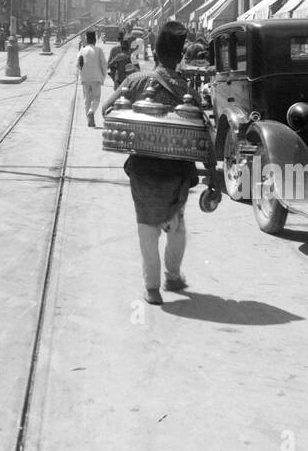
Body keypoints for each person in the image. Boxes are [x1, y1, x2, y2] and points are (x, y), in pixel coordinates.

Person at [103, 19, 215, 306]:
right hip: (177, 173)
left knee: (147, 228)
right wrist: (212, 177)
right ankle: (173, 276)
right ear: (179, 56)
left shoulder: (137, 81)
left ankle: (152, 288)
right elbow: (204, 130)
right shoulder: (184, 88)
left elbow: (106, 110)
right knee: (175, 224)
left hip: (143, 171)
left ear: (154, 49)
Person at [76, 29, 107, 127]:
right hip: (96, 78)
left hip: (85, 79)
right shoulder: (99, 50)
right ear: (94, 40)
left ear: (87, 40)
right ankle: (91, 111)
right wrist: (103, 76)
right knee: (96, 99)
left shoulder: (82, 51)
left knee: (87, 100)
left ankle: (88, 120)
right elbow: (104, 64)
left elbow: (78, 65)